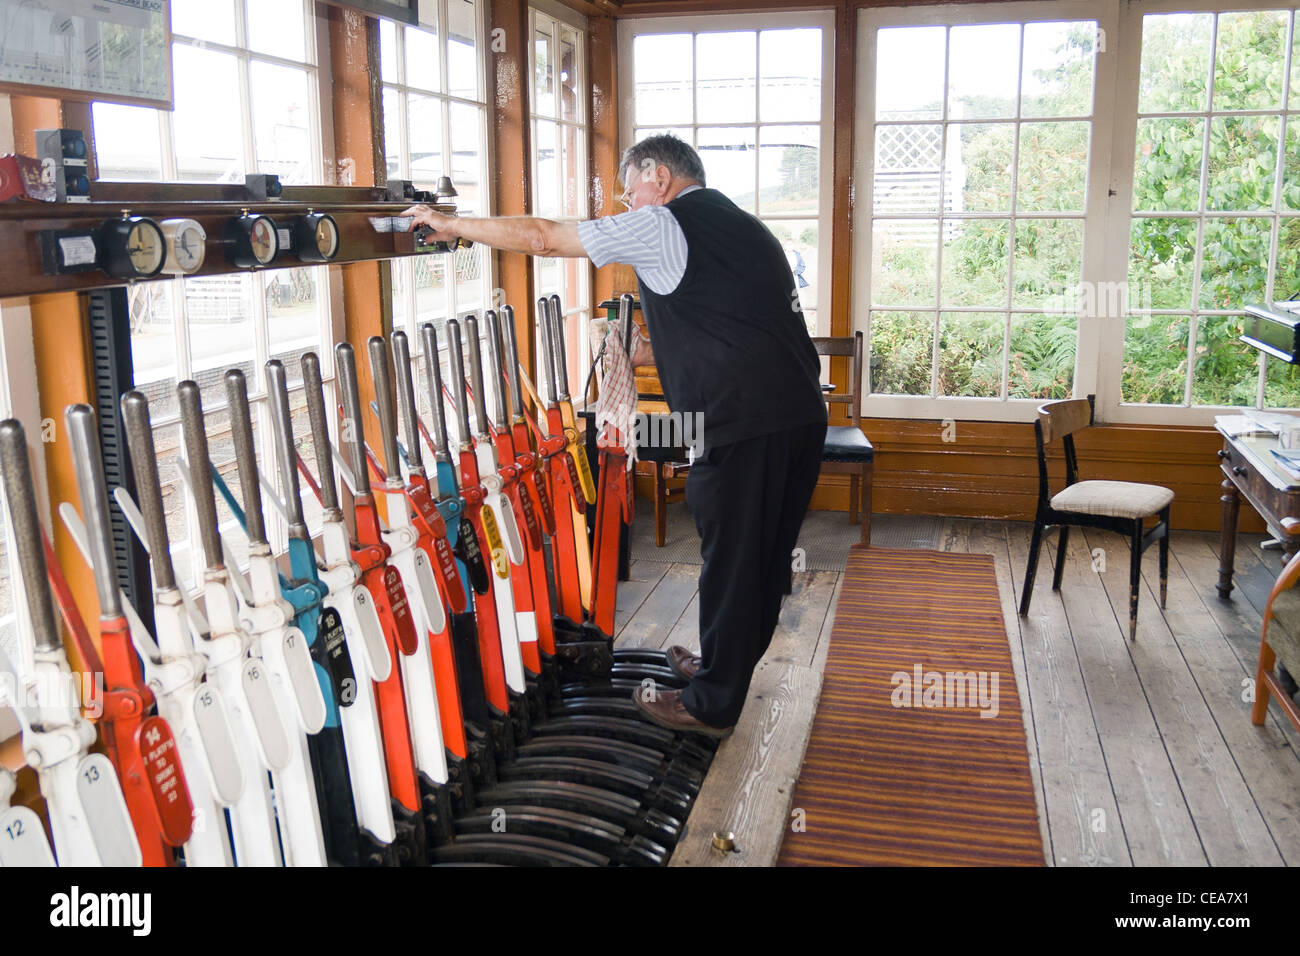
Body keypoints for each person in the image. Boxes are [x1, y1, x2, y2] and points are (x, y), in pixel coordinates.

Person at [401, 133, 827, 737]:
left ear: (658, 176)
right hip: (798, 416)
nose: (628, 207)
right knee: (757, 560)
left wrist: (454, 225)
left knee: (733, 560)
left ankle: (712, 706)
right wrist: (640, 346)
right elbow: (727, 326)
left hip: (739, 425)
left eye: (630, 192)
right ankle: (721, 668)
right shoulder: (743, 226)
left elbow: (545, 236)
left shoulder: (661, 224)